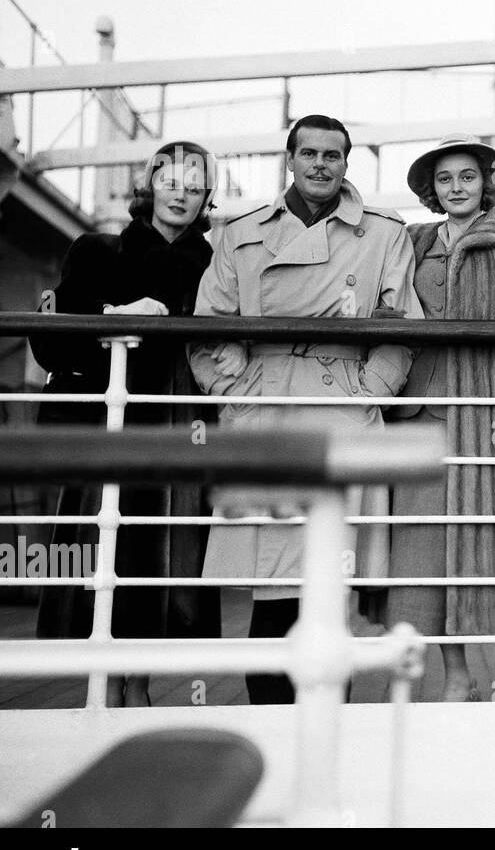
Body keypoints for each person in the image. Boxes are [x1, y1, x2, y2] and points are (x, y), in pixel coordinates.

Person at [188, 114, 418, 705]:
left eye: (333, 155)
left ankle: (324, 735)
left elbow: (404, 327)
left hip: (337, 404)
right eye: (309, 153)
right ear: (290, 160)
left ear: (347, 163)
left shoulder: (384, 234)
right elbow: (204, 329)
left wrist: (370, 390)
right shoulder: (239, 233)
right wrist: (230, 394)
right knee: (267, 600)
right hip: (263, 405)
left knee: (325, 589)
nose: (321, 164)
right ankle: (273, 728)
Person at [30, 140, 221, 706]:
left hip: (183, 426)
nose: (181, 193)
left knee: (170, 556)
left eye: (194, 184)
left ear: (207, 193)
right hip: (109, 421)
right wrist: (115, 315)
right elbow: (51, 339)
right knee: (107, 547)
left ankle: (135, 688)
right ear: (149, 185)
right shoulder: (96, 250)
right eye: (170, 181)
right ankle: (110, 688)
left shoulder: (218, 260)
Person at [385, 134, 495, 701]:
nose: (457, 187)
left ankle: (468, 673)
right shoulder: (411, 241)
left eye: (467, 176)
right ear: (432, 189)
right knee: (420, 554)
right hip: (419, 407)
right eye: (445, 179)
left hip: (490, 406)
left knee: (484, 539)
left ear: (487, 181)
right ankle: (438, 672)